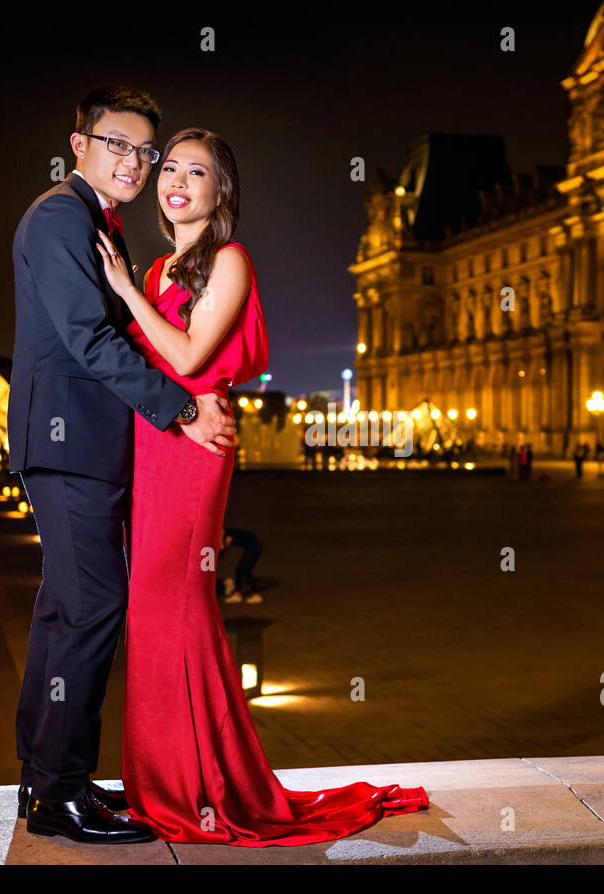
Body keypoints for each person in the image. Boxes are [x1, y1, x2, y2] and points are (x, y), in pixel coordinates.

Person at [97, 125, 428, 846]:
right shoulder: (157, 271)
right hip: (157, 442)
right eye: (170, 168)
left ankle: (200, 789)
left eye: (197, 172)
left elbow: (189, 354)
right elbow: (140, 367)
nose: (176, 180)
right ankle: (162, 783)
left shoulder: (229, 261)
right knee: (150, 613)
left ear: (221, 192)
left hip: (194, 452)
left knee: (180, 608)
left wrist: (123, 290)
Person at [8, 87, 237, 844]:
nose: (134, 162)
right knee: (93, 608)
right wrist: (182, 408)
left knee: (64, 610)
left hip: (80, 445)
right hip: (70, 444)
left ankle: (45, 776)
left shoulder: (95, 223)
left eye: (145, 150)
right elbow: (89, 340)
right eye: (117, 144)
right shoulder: (62, 218)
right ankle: (59, 792)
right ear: (79, 144)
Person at [220, 526, 263, 603]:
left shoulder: (223, 533)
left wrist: (221, 544)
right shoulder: (225, 533)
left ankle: (255, 595)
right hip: (253, 547)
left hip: (253, 547)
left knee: (244, 570)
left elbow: (222, 546)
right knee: (241, 570)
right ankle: (239, 594)